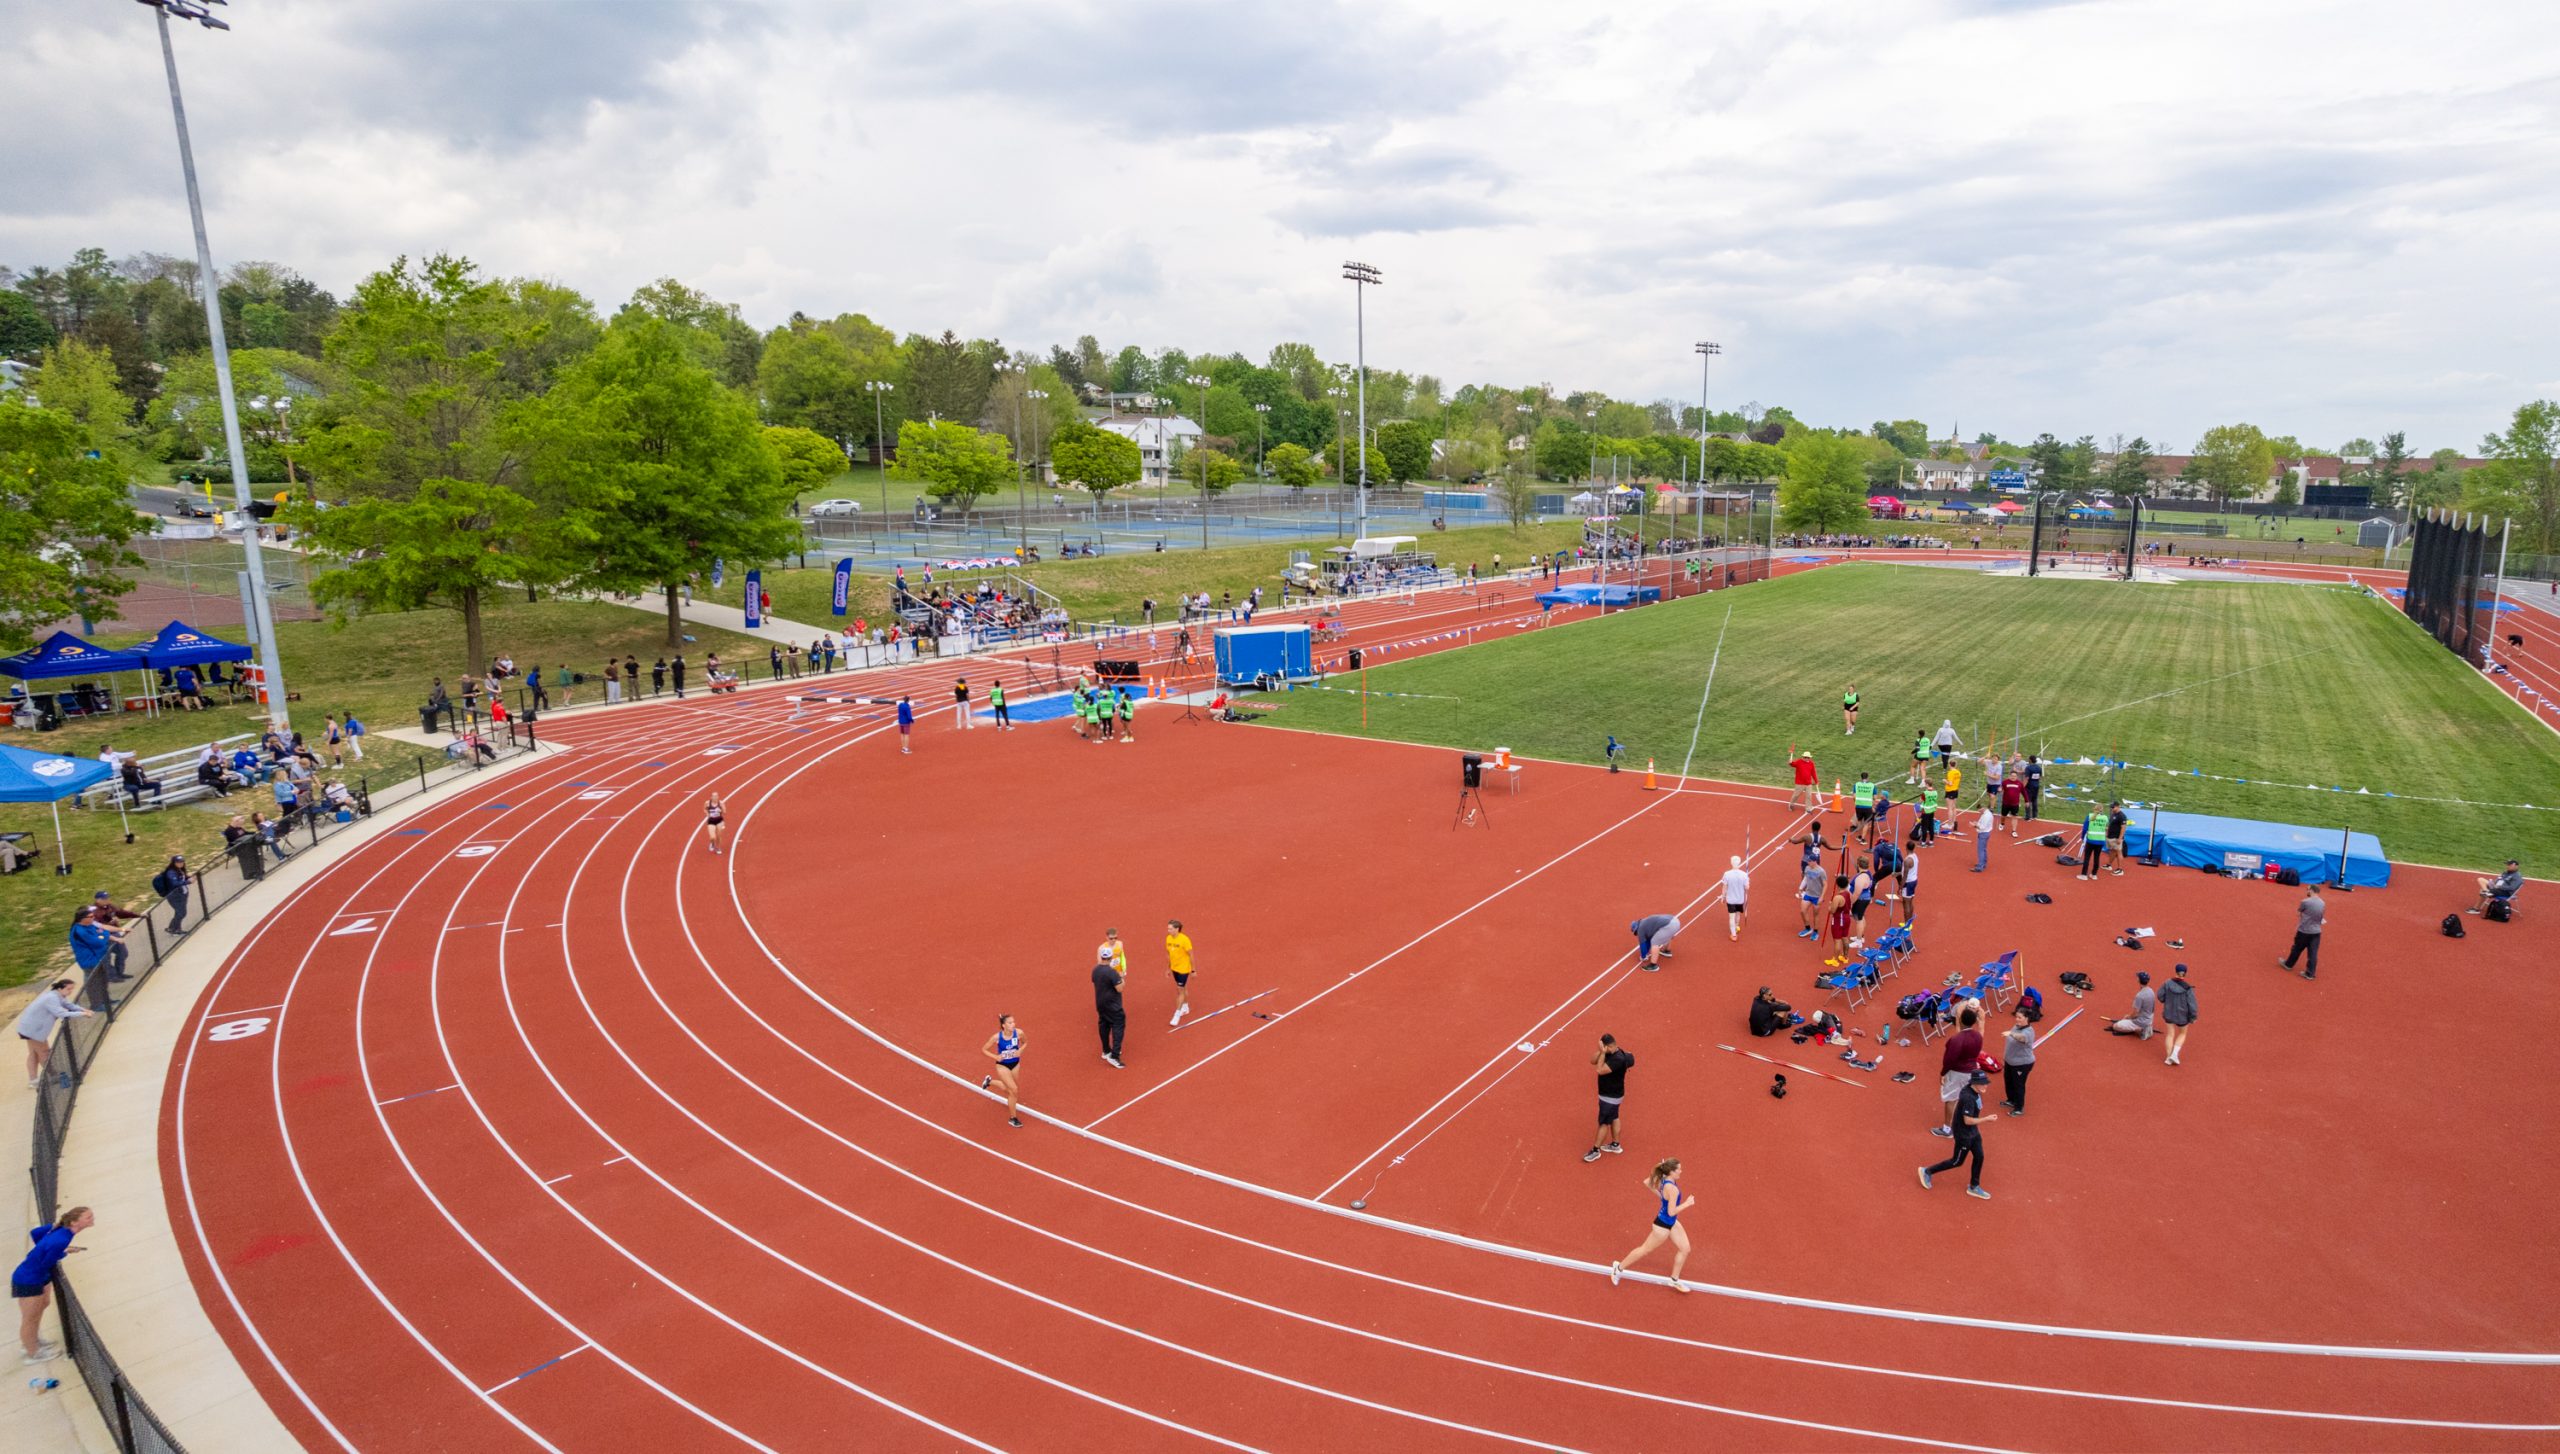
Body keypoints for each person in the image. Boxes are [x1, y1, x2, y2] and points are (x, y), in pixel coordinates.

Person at [13, 1206, 93, 1365]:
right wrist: (62, 1252)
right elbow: (46, 1262)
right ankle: (32, 1352)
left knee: (42, 1306)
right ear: (75, 1222)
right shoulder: (63, 1239)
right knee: (30, 1317)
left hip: (34, 1277)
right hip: (30, 1279)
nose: (92, 1219)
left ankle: (33, 1341)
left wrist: (46, 1249)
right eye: (88, 1217)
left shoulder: (58, 1230)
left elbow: (36, 1234)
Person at [1609, 1158, 1694, 1293]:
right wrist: (1687, 1204)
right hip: (1662, 1226)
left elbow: (1647, 1182)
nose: (1681, 1171)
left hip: (1671, 1223)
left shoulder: (1666, 1178)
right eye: (1678, 1169)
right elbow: (1672, 1211)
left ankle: (1674, 1280)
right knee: (1645, 1250)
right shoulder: (1672, 1189)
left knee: (1685, 1249)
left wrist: (1662, 1197)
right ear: (1671, 1172)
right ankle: (1618, 1268)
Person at [1918, 1061, 1994, 1199]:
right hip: (1964, 1134)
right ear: (1975, 1083)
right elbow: (1967, 1120)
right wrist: (1986, 1119)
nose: (1985, 1086)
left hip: (1973, 1132)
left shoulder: (1974, 1090)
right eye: (1983, 1083)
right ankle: (1927, 1171)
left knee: (1979, 1156)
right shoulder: (1968, 1098)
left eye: (1985, 1083)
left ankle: (1974, 1186)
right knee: (1957, 1161)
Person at [16, 979, 91, 1090]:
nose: (70, 991)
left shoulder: (57, 996)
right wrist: (82, 1014)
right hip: (33, 1030)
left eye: (71, 989)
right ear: (60, 988)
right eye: (68, 989)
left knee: (34, 1053)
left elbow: (68, 1005)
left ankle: (33, 1080)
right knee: (44, 1052)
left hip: (30, 1028)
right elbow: (60, 1013)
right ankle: (54, 1075)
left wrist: (83, 1009)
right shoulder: (52, 998)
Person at [1933, 1006, 1982, 1137]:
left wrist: (1943, 1073)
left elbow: (1949, 1059)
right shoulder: (1978, 1036)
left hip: (1957, 1072)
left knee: (1951, 1099)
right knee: (1966, 1097)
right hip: (1971, 1071)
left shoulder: (1956, 1039)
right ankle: (1965, 1124)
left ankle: (1947, 1129)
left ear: (1960, 1020)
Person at [1585, 1034, 1634, 1162]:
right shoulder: (1612, 1052)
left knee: (1604, 1123)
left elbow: (1599, 1070)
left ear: (1608, 1046)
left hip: (1610, 1097)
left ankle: (1596, 1150)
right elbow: (1592, 1061)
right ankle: (1615, 1145)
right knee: (1614, 1117)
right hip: (1614, 1094)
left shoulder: (1617, 1059)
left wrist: (1602, 1053)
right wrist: (1601, 1051)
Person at [979, 1014, 1025, 1128]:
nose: (1013, 1024)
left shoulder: (1019, 1033)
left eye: (1013, 1022)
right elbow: (984, 1049)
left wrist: (1020, 1050)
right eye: (1010, 1023)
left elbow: (1025, 1043)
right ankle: (1013, 1118)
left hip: (1015, 1064)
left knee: (1008, 1088)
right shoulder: (996, 1037)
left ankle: (989, 1082)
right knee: (1013, 1090)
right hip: (1002, 1065)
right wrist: (996, 1057)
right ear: (1004, 1026)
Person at [1999, 1007, 2037, 1115]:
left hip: (2022, 1064)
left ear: (2027, 1018)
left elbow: (2021, 1038)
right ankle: (2011, 1100)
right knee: (2008, 1082)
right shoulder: (2016, 1026)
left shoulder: (2029, 1032)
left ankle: (2019, 1108)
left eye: (2020, 1017)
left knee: (2018, 1085)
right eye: (2016, 1017)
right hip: (2010, 1062)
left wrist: (2011, 1034)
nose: (2017, 1019)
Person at [1091, 954, 1127, 1068]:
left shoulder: (1095, 970)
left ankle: (1106, 1050)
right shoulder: (1112, 972)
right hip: (1113, 1006)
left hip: (1100, 1004)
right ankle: (1115, 1056)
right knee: (1118, 1026)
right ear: (1111, 958)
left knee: (1104, 1025)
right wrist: (1121, 978)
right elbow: (1120, 988)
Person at [2283, 884, 2325, 980]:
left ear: (2311, 891)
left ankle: (2288, 964)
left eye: (2308, 890)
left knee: (2297, 948)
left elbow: (2298, 913)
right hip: (2317, 931)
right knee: (2313, 953)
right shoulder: (2322, 903)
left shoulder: (2305, 901)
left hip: (2304, 931)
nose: (2307, 891)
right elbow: (2321, 916)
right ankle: (2310, 974)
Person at [2159, 962, 2197, 1065]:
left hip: (2169, 1013)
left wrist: (2166, 1001)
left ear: (2175, 971)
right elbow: (2192, 1005)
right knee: (2182, 1033)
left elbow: (2160, 995)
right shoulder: (2187, 988)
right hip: (2182, 1016)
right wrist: (2193, 1017)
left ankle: (2168, 1057)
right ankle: (2174, 1054)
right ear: (2185, 973)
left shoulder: (2167, 983)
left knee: (2170, 1034)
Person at [2108, 970, 2158, 1038]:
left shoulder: (2139, 996)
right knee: (2126, 1020)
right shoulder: (2151, 991)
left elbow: (2135, 1013)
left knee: (2115, 1026)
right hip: (2149, 1019)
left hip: (2140, 1022)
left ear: (2138, 980)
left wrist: (2128, 1017)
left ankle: (2140, 1030)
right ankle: (2144, 1027)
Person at [1164, 920, 1195, 1026]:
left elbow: (1191, 955)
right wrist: (1168, 968)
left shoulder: (1184, 940)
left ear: (1177, 929)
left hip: (1183, 969)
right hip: (1174, 968)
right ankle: (1186, 1007)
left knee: (1179, 991)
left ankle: (1177, 1014)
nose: (1168, 930)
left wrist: (1193, 970)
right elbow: (1168, 954)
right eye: (1168, 928)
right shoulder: (1168, 938)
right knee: (1183, 988)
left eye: (1170, 929)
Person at [153, 854, 193, 934]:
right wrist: (188, 881)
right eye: (178, 862)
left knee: (179, 912)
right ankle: (175, 929)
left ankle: (173, 928)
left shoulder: (179, 870)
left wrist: (188, 877)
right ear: (173, 863)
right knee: (182, 913)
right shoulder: (171, 872)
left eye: (182, 862)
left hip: (182, 894)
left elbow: (182, 877)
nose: (180, 863)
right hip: (175, 896)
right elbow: (174, 883)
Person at [1719, 855, 1750, 940]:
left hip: (1731, 900)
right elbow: (1747, 887)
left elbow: (1724, 887)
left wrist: (1723, 897)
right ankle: (1736, 927)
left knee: (1731, 917)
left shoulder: (1727, 874)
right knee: (1737, 914)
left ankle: (1733, 934)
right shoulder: (1744, 874)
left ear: (1731, 863)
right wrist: (1747, 882)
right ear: (1740, 863)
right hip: (1740, 899)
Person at [1796, 856, 1826, 939]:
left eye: (1809, 861)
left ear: (1815, 861)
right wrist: (1800, 888)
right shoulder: (1807, 868)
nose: (1808, 862)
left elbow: (1825, 884)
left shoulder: (1821, 871)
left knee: (1815, 914)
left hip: (1817, 896)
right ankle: (1808, 928)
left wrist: (1822, 897)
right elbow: (1806, 878)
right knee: (1802, 911)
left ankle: (1816, 932)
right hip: (1808, 894)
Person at [1786, 745, 1817, 811]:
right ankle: (1791, 804)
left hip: (1808, 783)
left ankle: (1808, 808)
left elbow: (1813, 772)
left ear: (1809, 758)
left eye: (1808, 757)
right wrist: (1790, 762)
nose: (1806, 758)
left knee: (1809, 796)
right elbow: (1792, 764)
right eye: (1805, 757)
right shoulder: (1799, 762)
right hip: (1799, 783)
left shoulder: (1811, 763)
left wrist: (1816, 781)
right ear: (1803, 757)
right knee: (1796, 795)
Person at [2103, 800, 2130, 875]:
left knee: (2118, 852)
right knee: (2112, 851)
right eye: (2111, 807)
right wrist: (2107, 832)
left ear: (2118, 806)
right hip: (2110, 837)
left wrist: (2120, 838)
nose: (2111, 808)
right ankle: (2109, 865)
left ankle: (2120, 870)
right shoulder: (2113, 814)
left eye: (2113, 807)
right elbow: (2110, 824)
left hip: (2116, 837)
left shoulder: (2122, 816)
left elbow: (2123, 827)